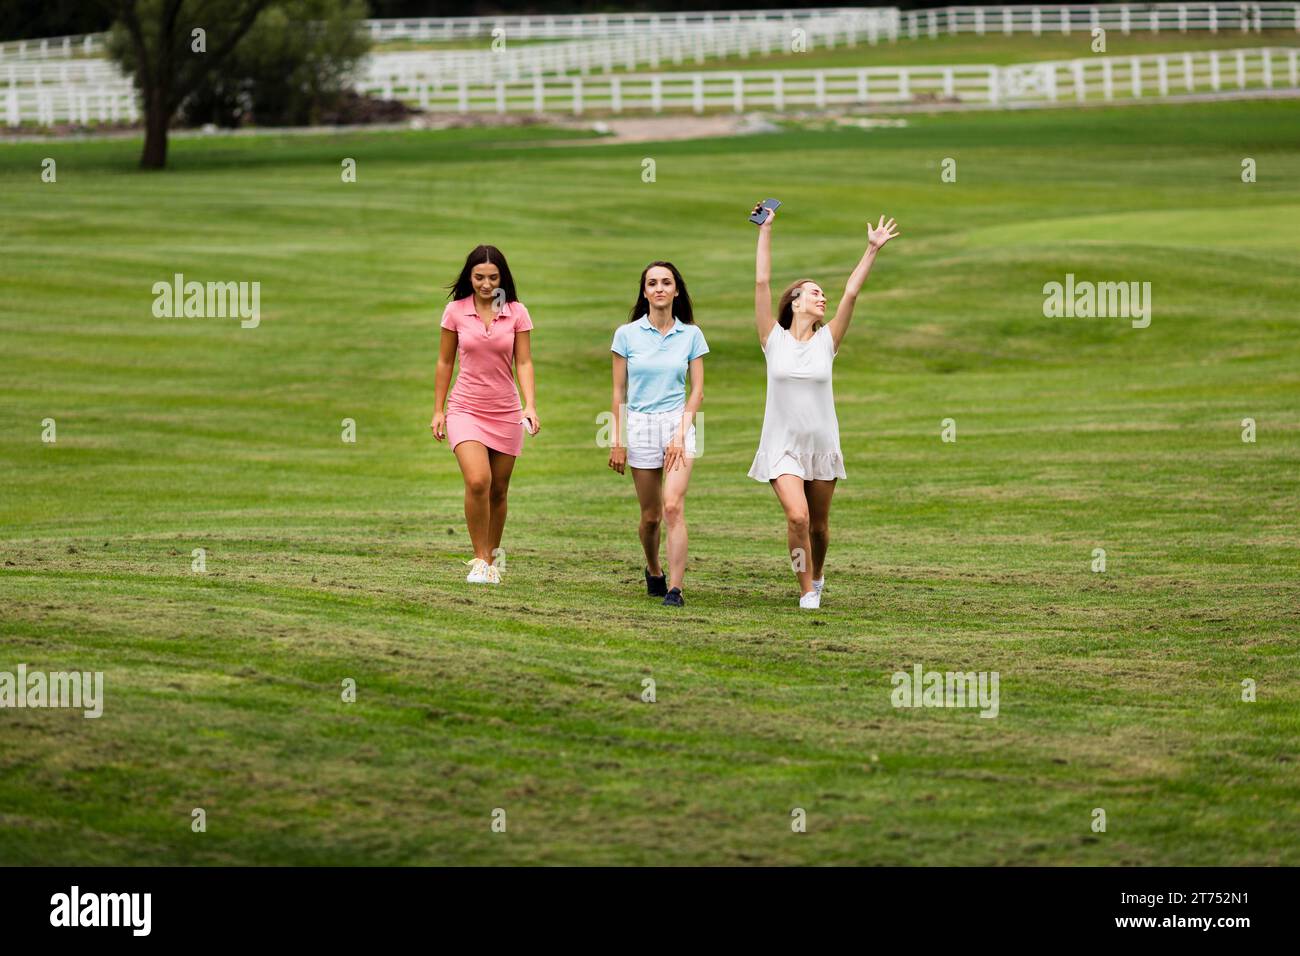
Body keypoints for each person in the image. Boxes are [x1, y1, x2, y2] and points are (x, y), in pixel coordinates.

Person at [748, 203, 899, 608]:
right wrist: (765, 229)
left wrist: (872, 250)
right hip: (782, 446)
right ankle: (805, 592)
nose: (823, 297)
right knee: (797, 518)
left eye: (822, 294)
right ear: (794, 301)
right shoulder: (772, 339)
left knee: (818, 528)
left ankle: (818, 574)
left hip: (821, 444)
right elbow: (762, 282)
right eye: (814, 292)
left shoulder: (827, 341)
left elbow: (851, 292)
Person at [431, 245, 539, 584]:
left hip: (505, 411)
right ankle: (478, 559)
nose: (486, 284)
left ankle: (492, 560)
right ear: (469, 277)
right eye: (479, 277)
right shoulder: (455, 311)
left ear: (502, 278)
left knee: (499, 490)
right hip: (465, 408)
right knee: (479, 481)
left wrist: (530, 404)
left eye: (493, 277)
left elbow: (523, 362)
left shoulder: (517, 312)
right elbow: (445, 361)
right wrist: (438, 410)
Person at [608, 261, 708, 607]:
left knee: (672, 507)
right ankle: (653, 569)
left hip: (678, 422)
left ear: (676, 290)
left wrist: (681, 433)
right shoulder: (626, 334)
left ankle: (676, 589)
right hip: (638, 424)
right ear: (645, 291)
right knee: (650, 517)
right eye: (653, 283)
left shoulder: (691, 335)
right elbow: (618, 392)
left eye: (666, 282)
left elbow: (697, 391)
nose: (660, 288)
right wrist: (617, 440)